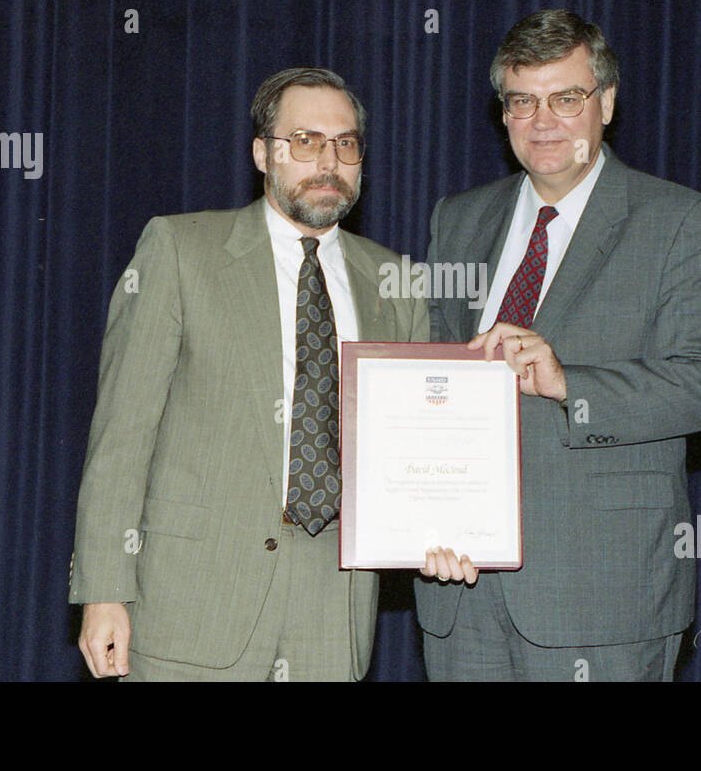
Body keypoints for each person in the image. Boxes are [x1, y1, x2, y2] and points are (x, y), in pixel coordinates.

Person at [70, 67, 434, 681]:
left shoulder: (397, 284)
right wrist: (104, 589)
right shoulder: (181, 250)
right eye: (306, 141)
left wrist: (445, 525)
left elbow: (413, 450)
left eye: (345, 144)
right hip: (190, 607)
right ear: (263, 153)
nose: (328, 161)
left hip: (332, 615)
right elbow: (121, 435)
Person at [413, 9, 701, 681]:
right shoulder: (458, 218)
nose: (543, 122)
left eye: (566, 98)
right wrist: (421, 515)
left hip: (603, 597)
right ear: (502, 112)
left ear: (607, 102)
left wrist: (571, 383)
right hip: (461, 594)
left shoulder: (678, 220)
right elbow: (433, 389)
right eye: (522, 101)